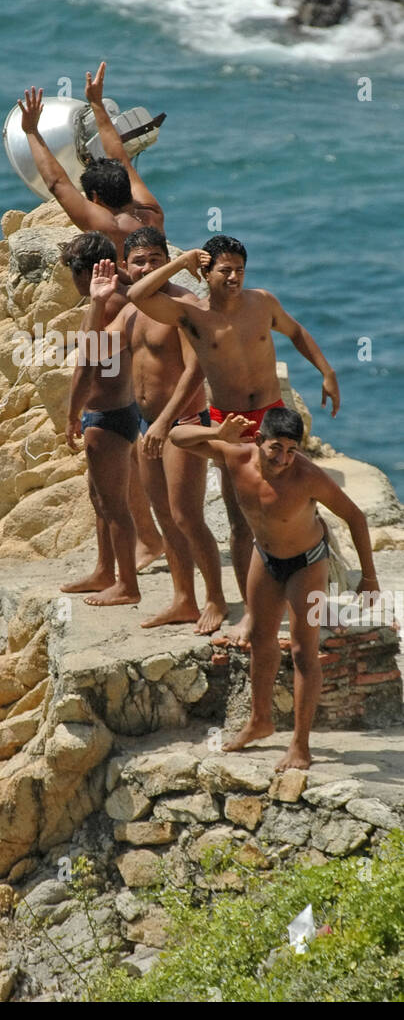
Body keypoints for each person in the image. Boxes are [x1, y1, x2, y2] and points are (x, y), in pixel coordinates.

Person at [126, 233, 340, 646]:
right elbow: (137, 293)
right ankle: (252, 612)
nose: (234, 277)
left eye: (240, 269)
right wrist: (179, 260)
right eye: (224, 270)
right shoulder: (192, 315)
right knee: (242, 519)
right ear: (205, 273)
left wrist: (326, 372)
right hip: (231, 424)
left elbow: (295, 332)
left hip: (273, 417)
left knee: (300, 504)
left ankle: (314, 597)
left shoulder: (262, 303)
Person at [169, 405, 380, 770]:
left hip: (309, 563)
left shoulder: (309, 477)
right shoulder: (234, 456)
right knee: (261, 642)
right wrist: (215, 435)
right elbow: (175, 435)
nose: (283, 459)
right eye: (275, 448)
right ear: (258, 440)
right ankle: (259, 721)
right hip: (264, 558)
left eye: (291, 450)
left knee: (303, 651)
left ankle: (300, 745)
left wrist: (370, 578)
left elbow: (356, 517)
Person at [88, 237, 227, 632]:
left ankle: (214, 599)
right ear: (125, 266)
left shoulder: (183, 307)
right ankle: (184, 600)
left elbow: (194, 369)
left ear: (169, 261)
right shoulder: (133, 311)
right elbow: (94, 348)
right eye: (138, 262)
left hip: (182, 423)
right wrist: (97, 302)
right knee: (165, 516)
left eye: (155, 260)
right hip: (148, 425)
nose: (146, 268)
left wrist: (166, 421)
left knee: (188, 516)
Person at [58, 232, 148, 607]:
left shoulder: (107, 305)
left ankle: (126, 584)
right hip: (119, 410)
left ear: (87, 272)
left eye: (74, 273)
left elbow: (88, 363)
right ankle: (104, 571)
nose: (73, 282)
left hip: (107, 415)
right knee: (100, 499)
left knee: (114, 506)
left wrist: (72, 414)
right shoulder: (122, 296)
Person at [17, 61, 164, 262]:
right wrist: (96, 102)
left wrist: (31, 131)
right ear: (127, 186)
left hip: (134, 291)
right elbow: (119, 156)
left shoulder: (108, 226)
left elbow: (57, 183)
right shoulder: (151, 211)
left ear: (95, 198)